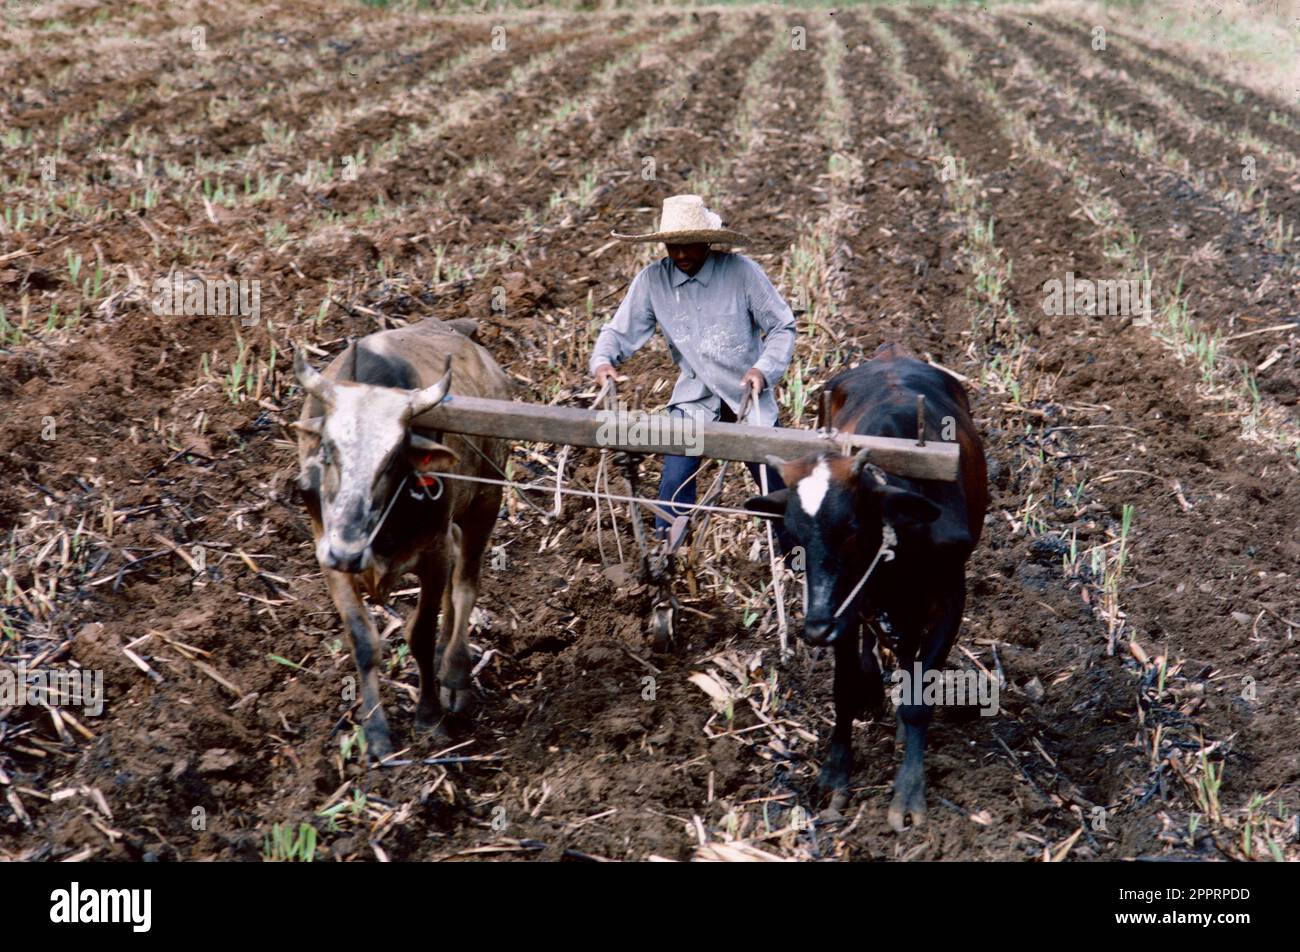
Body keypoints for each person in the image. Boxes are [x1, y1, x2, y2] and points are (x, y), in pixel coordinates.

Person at [589, 194, 796, 546]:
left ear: (707, 241)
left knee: (775, 489)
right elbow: (618, 332)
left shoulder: (742, 273)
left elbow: (782, 328)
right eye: (674, 246)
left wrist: (762, 371)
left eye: (690, 246)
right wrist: (604, 361)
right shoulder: (653, 281)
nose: (682, 255)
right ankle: (666, 559)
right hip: (695, 399)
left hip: (748, 398)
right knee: (674, 485)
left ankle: (798, 560)